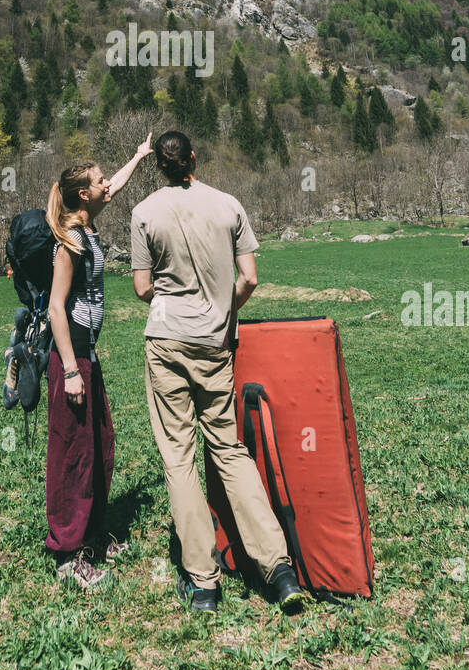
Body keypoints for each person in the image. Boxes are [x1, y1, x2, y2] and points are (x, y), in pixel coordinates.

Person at [130, 130, 304, 613]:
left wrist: (172, 298)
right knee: (229, 449)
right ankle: (278, 567)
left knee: (179, 458)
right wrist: (222, 313)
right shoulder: (229, 205)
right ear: (193, 158)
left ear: (158, 167)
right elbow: (249, 277)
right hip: (214, 343)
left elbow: (143, 288)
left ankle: (203, 583)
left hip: (166, 340)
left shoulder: (143, 212)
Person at [44, 136, 153, 589]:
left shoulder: (88, 223)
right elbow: (55, 308)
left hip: (88, 355)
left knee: (100, 446)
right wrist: (70, 370)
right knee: (73, 456)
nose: (108, 184)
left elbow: (118, 187)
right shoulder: (70, 241)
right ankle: (68, 555)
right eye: (99, 180)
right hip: (71, 361)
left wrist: (139, 155)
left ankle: (93, 534)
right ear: (83, 194)